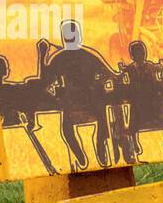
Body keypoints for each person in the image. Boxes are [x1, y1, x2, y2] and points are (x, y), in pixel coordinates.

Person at [46, 19, 116, 169]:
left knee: (67, 130)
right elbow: (110, 75)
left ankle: (81, 156)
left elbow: (45, 82)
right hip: (91, 104)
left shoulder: (59, 58)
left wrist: (42, 56)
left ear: (64, 37)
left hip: (73, 105)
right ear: (78, 35)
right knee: (102, 118)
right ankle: (100, 148)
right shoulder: (89, 55)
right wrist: (100, 84)